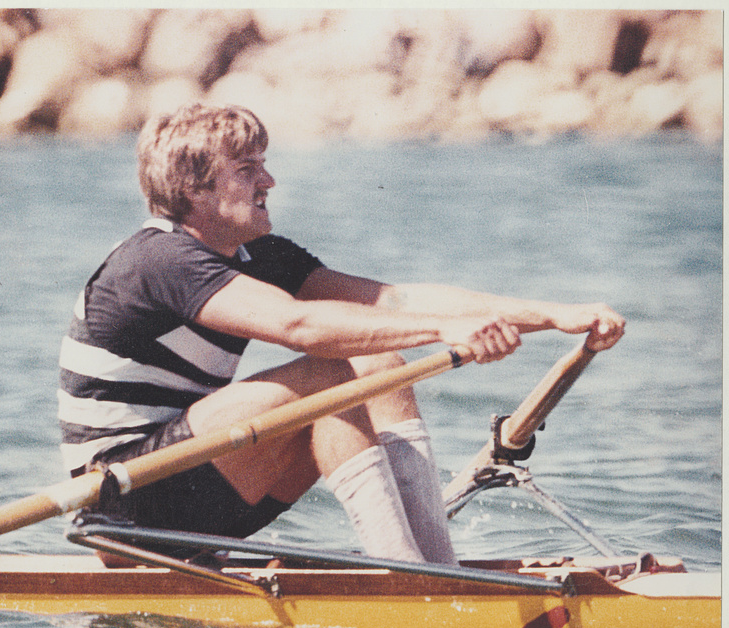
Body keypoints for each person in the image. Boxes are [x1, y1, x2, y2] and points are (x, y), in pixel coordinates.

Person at [57, 103, 624, 565]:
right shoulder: (159, 259)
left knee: (381, 362)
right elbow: (296, 325)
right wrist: (449, 331)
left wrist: (553, 315)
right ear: (195, 190)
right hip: (123, 503)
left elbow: (394, 300)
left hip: (197, 489)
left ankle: (430, 569)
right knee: (330, 372)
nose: (269, 181)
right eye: (248, 169)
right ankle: (405, 582)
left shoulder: (257, 256)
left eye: (264, 164)